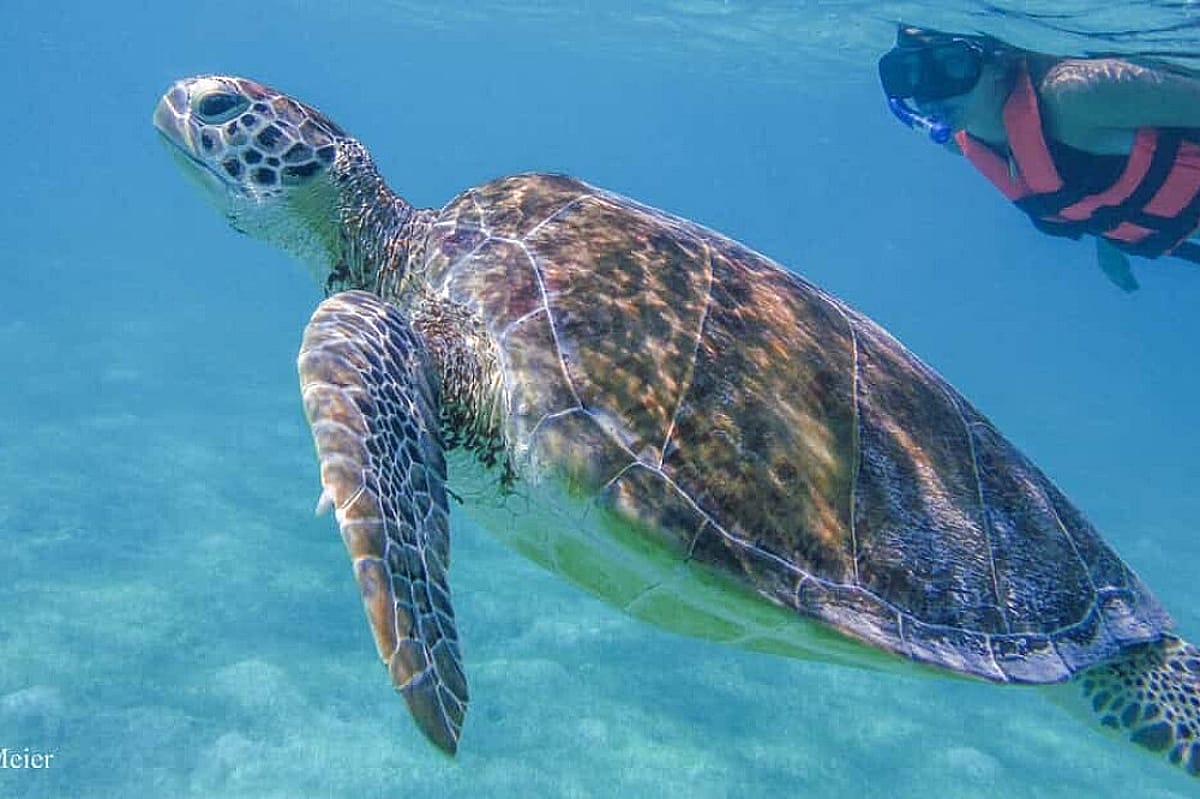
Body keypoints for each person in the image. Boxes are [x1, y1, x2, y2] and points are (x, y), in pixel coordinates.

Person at [877, 24, 1200, 290]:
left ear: (999, 62)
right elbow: (1093, 176)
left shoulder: (1077, 97)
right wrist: (1109, 239)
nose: (931, 91)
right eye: (908, 73)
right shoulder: (963, 138)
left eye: (952, 64)